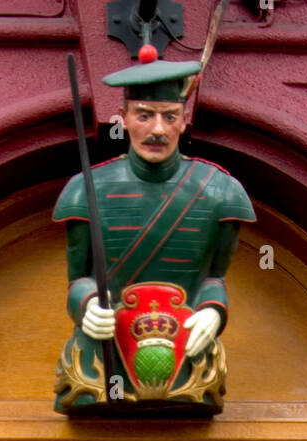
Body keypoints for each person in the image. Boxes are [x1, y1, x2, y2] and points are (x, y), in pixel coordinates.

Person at [53, 56, 256, 413]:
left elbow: (214, 276)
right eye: (144, 115)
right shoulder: (84, 190)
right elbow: (77, 279)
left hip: (187, 359)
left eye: (169, 116)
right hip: (104, 361)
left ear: (183, 122)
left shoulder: (222, 192)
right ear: (125, 117)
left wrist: (213, 312)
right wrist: (87, 305)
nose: (158, 129)